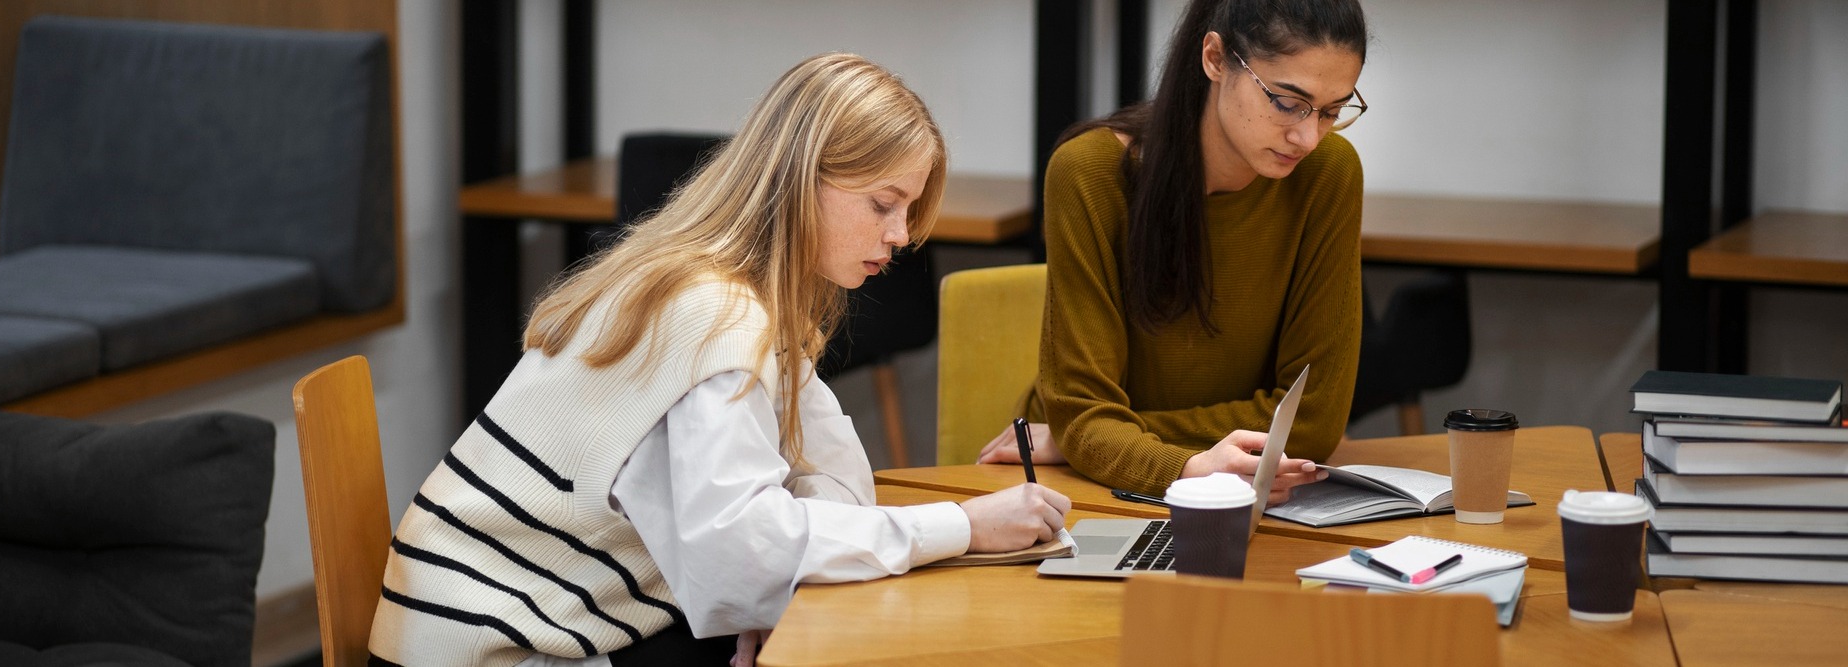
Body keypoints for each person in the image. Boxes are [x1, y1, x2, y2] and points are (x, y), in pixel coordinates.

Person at [369, 53, 1071, 667]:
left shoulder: (733, 287)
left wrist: (771, 584)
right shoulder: (716, 312)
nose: (901, 235)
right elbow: (741, 556)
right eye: (884, 204)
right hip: (492, 646)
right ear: (802, 177)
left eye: (909, 210)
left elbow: (831, 476)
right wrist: (964, 526)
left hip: (518, 618)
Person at [977, 0, 1369, 502]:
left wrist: (1090, 438)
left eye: (1332, 111)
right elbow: (1082, 413)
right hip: (1079, 485)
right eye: (1287, 102)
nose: (1307, 136)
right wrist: (1121, 446)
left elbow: (1312, 420)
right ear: (1215, 58)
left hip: (1205, 484)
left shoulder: (1328, 174)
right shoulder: (1088, 173)